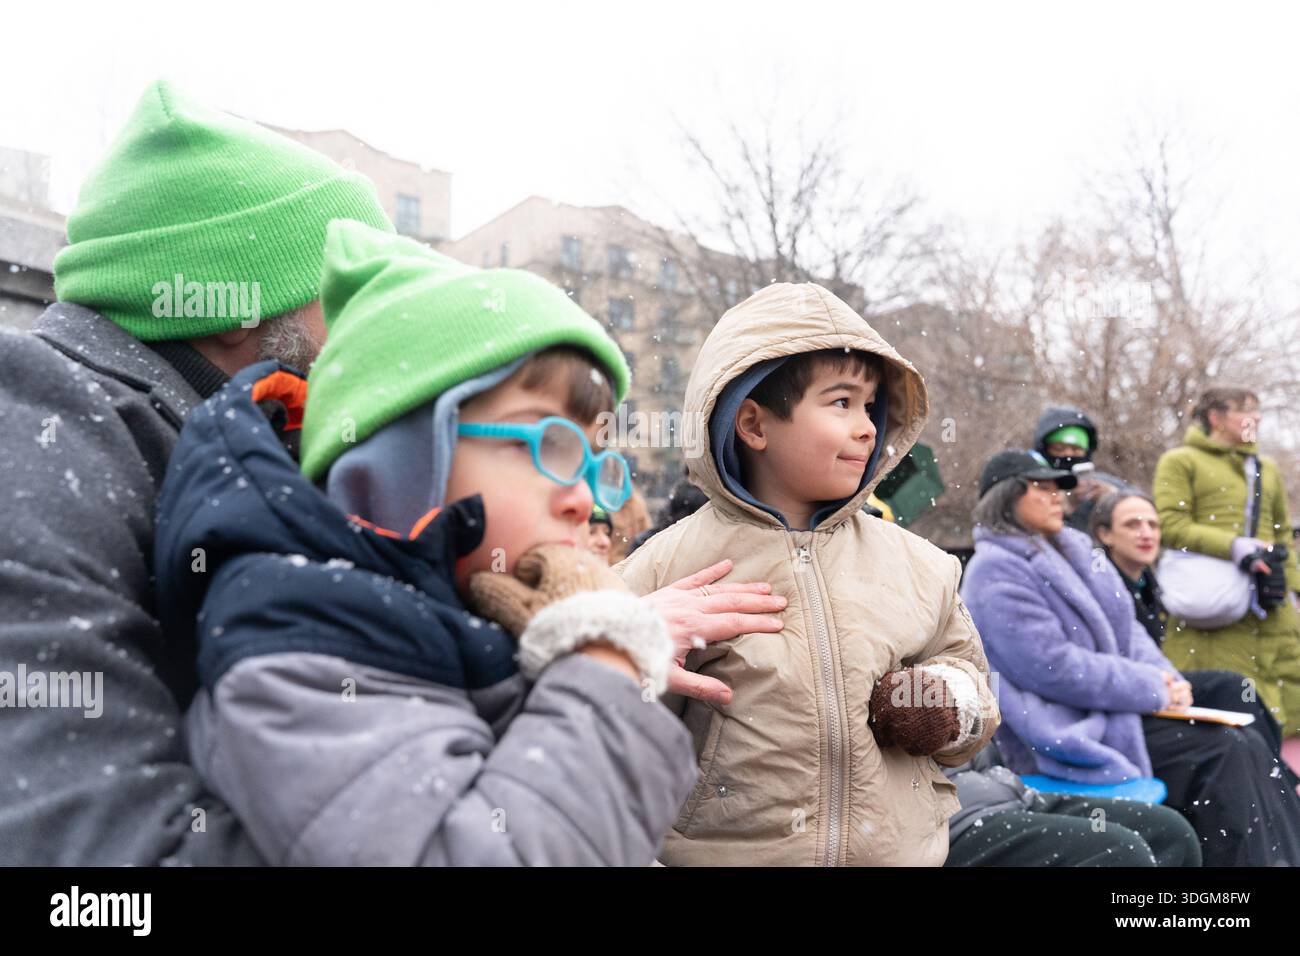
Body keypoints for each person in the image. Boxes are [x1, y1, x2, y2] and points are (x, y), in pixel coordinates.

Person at [153, 220, 698, 864]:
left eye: (592, 461)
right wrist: (602, 660)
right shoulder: (305, 635)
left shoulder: (469, 618)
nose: (583, 496)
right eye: (549, 445)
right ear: (399, 466)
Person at [0, 80, 393, 864]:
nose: (380, 326)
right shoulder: (41, 424)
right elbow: (97, 871)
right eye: (352, 288)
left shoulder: (217, 435)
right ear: (245, 302)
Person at [616, 282, 1000, 866]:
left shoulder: (919, 566)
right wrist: (638, 670)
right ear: (754, 424)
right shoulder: (665, 568)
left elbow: (975, 692)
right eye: (841, 403)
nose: (868, 427)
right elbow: (607, 732)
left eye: (872, 407)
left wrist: (949, 702)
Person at [963, 449, 1300, 865]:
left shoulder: (1075, 551)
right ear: (1005, 497)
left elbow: (1130, 632)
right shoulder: (993, 571)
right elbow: (1053, 668)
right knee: (1223, 751)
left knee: (1240, 725)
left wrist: (1168, 681)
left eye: (1058, 487)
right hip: (1069, 724)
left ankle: (1283, 854)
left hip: (1113, 707)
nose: (1057, 496)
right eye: (1042, 487)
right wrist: (1150, 689)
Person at [1153, 387, 1300, 735]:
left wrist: (1293, 589)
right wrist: (1236, 548)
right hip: (1209, 607)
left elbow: (1282, 539)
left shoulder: (1267, 469)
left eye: (1258, 410)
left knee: (1283, 706)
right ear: (1215, 418)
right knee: (1228, 709)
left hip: (1268, 605)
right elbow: (1170, 525)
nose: (1257, 418)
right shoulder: (1180, 461)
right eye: (1246, 409)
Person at [943, 741, 1201, 867]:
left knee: (1170, 832)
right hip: (939, 824)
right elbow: (1056, 673)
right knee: (1118, 854)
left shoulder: (941, 642)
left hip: (997, 788)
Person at [1033, 404, 1133, 533]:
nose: (1068, 455)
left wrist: (1113, 500)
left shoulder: (1103, 483)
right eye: (1059, 449)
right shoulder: (1032, 484)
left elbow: (1144, 513)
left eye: (1076, 449)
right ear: (1045, 449)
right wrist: (1063, 506)